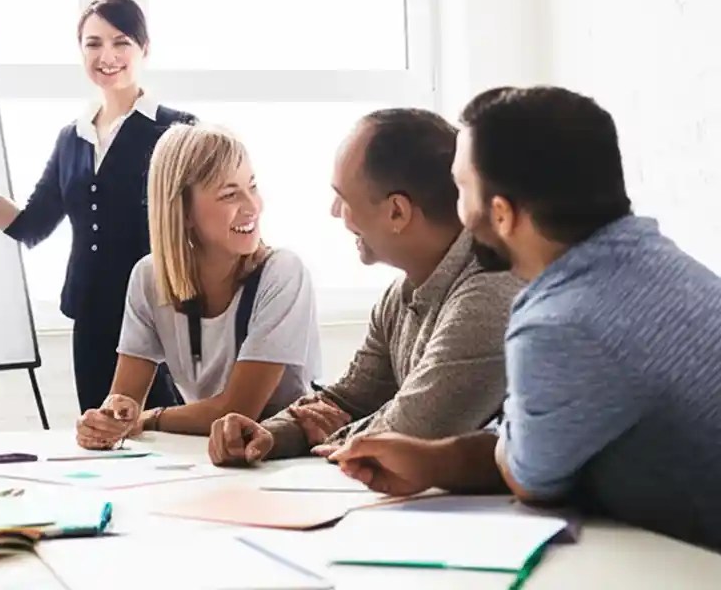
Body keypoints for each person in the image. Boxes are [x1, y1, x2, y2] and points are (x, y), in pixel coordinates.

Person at [326, 86, 721, 550]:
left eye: (461, 189)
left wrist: (448, 459)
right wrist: (433, 461)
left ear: (501, 213)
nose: (454, 209)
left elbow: (529, 478)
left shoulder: (559, 323)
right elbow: (531, 444)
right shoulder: (659, 265)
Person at [0, 0, 194, 411]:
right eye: (93, 43)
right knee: (100, 439)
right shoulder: (73, 137)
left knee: (162, 435)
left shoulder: (177, 130)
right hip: (89, 318)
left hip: (155, 318)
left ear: (144, 48)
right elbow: (29, 226)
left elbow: (202, 228)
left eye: (121, 41)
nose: (107, 55)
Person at [208, 109, 520, 466]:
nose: (334, 211)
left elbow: (409, 430)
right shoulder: (400, 296)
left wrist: (336, 434)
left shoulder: (487, 297)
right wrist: (267, 434)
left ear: (397, 213)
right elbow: (346, 400)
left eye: (344, 198)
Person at [74, 124, 320, 449]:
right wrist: (107, 420)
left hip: (285, 454)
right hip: (212, 457)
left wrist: (149, 417)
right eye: (230, 194)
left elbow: (238, 411)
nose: (253, 207)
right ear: (183, 210)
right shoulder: (149, 277)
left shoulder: (283, 273)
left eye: (252, 187)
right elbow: (124, 401)